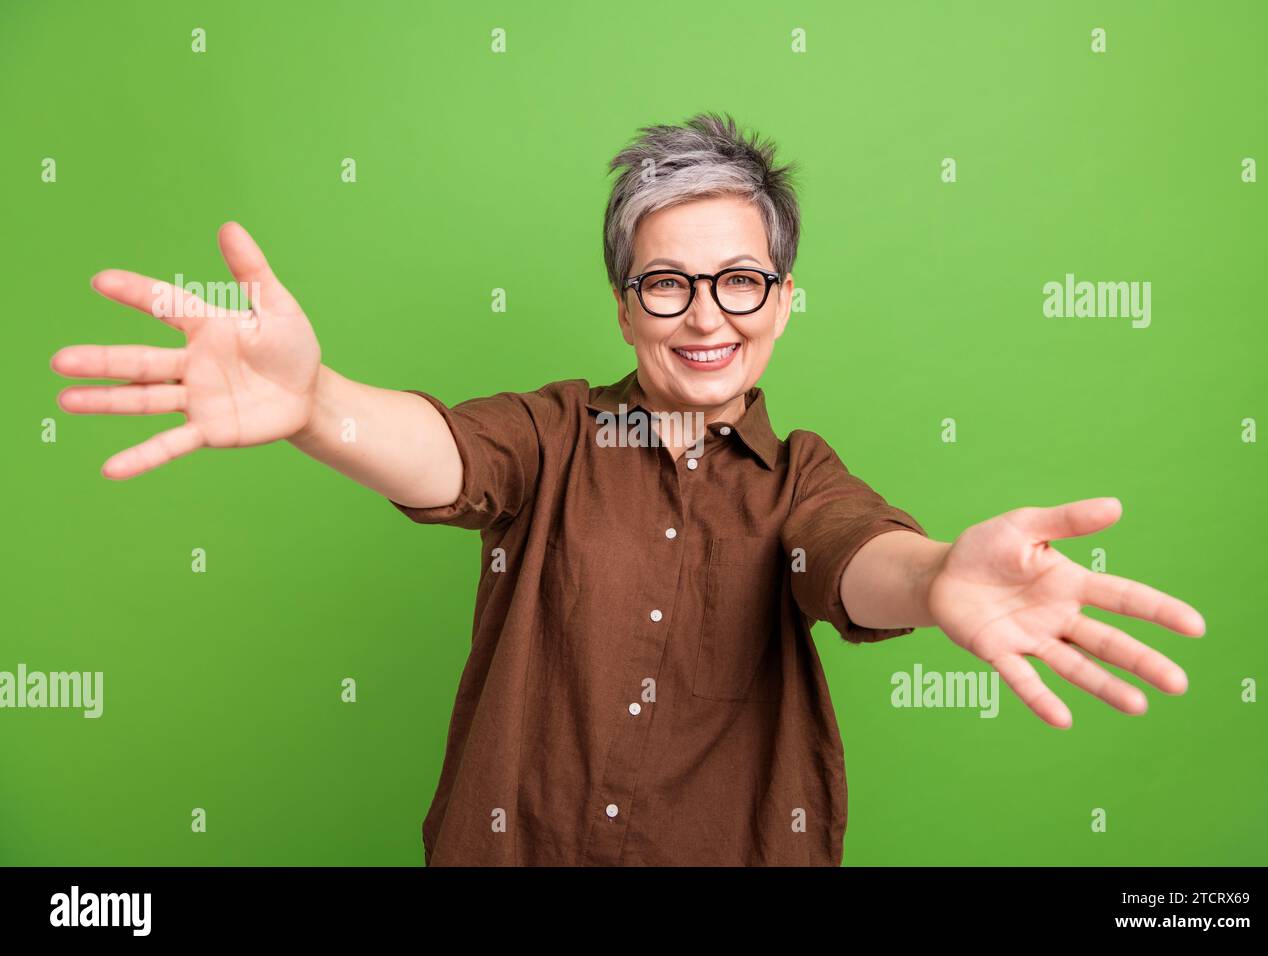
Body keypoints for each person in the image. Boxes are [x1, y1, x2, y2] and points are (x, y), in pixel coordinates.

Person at [50, 112, 1205, 866]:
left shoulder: (800, 479)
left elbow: (854, 556)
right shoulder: (549, 434)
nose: (707, 314)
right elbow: (441, 454)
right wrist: (320, 405)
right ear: (622, 305)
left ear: (784, 298)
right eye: (666, 283)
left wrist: (943, 573)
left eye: (740, 280)